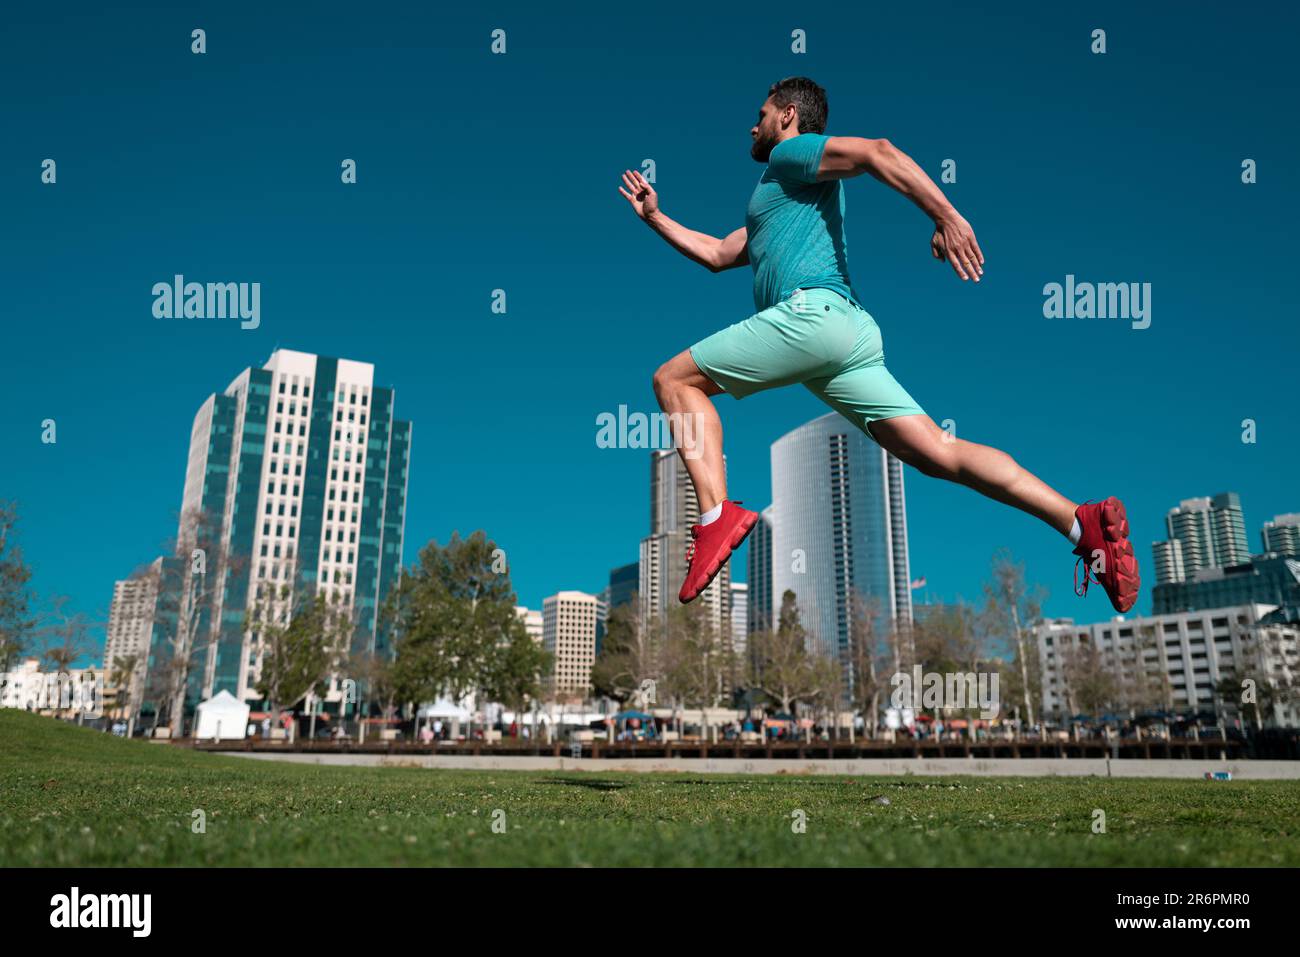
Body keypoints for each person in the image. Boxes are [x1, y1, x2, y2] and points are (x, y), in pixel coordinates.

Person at [619, 77, 1139, 613]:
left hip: (812, 316)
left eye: (762, 113)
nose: (753, 126)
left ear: (790, 116)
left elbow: (877, 152)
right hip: (847, 340)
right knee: (939, 453)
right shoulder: (777, 200)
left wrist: (947, 216)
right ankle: (1081, 524)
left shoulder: (790, 156)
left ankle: (713, 516)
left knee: (673, 379)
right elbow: (716, 253)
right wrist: (656, 217)